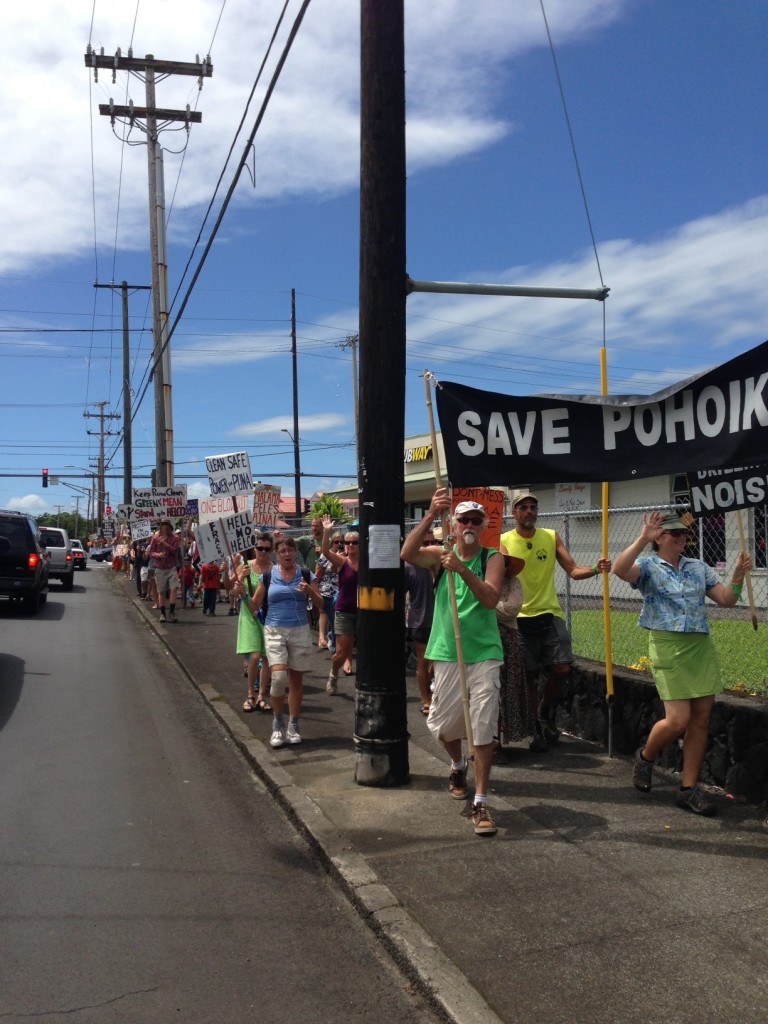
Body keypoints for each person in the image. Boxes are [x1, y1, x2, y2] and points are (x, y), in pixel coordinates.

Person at [612, 509, 752, 816]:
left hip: (699, 648)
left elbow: (727, 600)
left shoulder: (697, 567)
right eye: (674, 533)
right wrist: (641, 539)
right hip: (667, 646)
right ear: (659, 538)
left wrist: (738, 575)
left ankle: (688, 789)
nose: (681, 538)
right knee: (677, 721)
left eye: (684, 534)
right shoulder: (648, 566)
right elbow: (620, 570)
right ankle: (646, 757)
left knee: (701, 720)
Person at [401, 488, 505, 837]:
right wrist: (430, 514)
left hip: (485, 654)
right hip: (447, 653)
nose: (470, 525)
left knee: (484, 726)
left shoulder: (493, 556)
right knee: (442, 726)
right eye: (464, 520)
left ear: (484, 524)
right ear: (455, 525)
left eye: (476, 520)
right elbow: (407, 552)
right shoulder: (439, 556)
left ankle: (480, 800)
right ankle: (458, 764)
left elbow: (490, 598)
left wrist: (461, 570)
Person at [500, 489, 611, 751]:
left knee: (562, 668)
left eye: (533, 507)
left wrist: (596, 568)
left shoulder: (550, 536)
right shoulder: (503, 540)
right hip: (519, 619)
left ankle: (544, 711)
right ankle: (534, 727)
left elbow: (573, 570)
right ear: (514, 512)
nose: (529, 511)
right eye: (523, 507)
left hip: (550, 613)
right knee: (528, 677)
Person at [245, 535, 322, 748]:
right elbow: (254, 607)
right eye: (282, 551)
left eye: (290, 550)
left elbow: (322, 603)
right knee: (278, 678)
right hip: (274, 630)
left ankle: (294, 724)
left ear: (294, 552)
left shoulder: (306, 574)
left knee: (296, 681)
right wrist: (242, 595)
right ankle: (278, 722)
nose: (287, 554)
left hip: (299, 631)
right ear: (276, 555)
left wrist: (309, 592)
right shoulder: (268, 576)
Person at [321, 518, 359, 695]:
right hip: (344, 611)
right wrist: (327, 531)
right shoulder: (342, 562)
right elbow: (325, 552)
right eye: (347, 543)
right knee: (341, 653)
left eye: (354, 543)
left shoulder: (368, 562)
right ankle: (334, 673)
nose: (350, 545)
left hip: (365, 611)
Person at [230, 547, 271, 714]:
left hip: (267, 615)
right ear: (255, 549)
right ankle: (250, 695)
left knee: (266, 657)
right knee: (254, 655)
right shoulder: (245, 566)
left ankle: (261, 696)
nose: (263, 551)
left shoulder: (273, 569)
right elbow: (233, 591)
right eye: (260, 548)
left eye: (267, 548)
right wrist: (240, 578)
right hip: (248, 615)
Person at [404, 527, 437, 715]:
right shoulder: (410, 566)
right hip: (421, 620)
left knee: (438, 662)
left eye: (433, 543)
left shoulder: (443, 562)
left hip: (443, 621)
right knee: (424, 662)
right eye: (425, 543)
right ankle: (426, 700)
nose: (430, 547)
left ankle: (436, 695)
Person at [145, 519, 181, 623]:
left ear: (169, 527)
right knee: (161, 591)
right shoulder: (155, 538)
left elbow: (175, 551)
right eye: (162, 525)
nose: (163, 527)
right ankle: (163, 613)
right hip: (160, 568)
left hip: (171, 567)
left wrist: (165, 544)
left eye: (165, 525)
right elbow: (151, 552)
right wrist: (158, 555)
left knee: (174, 588)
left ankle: (172, 612)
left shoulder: (174, 539)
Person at [315, 532, 343, 652]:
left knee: (338, 619)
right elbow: (317, 575)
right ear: (332, 543)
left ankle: (337, 643)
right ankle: (331, 643)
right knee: (331, 618)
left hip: (342, 591)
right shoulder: (325, 556)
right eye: (337, 542)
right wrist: (314, 592)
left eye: (342, 542)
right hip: (327, 591)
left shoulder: (347, 556)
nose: (339, 544)